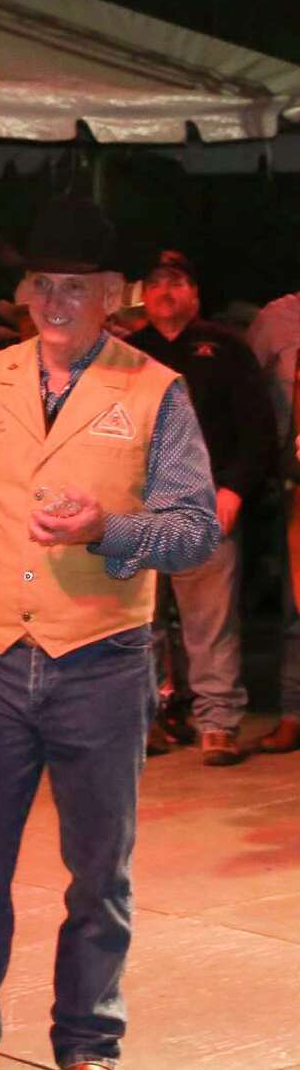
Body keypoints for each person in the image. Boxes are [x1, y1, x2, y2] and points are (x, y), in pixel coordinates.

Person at [0, 193, 219, 1070]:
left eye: (77, 287)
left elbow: (195, 525)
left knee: (100, 874)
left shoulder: (157, 390)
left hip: (102, 660)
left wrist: (108, 530)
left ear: (114, 297)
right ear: (23, 292)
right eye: (43, 284)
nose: (56, 301)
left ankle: (89, 1048)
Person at [127, 251, 275, 765]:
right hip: (140, 508)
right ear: (142, 294)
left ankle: (217, 722)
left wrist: (233, 491)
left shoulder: (227, 348)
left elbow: (258, 432)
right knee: (137, 623)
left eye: (177, 281)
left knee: (210, 623)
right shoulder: (126, 354)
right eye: (156, 281)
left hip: (204, 504)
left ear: (194, 292)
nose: (166, 290)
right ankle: (144, 722)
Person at [247, 290, 300, 752]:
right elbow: (250, 397)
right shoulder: (277, 319)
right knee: (295, 607)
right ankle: (292, 713)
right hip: (295, 485)